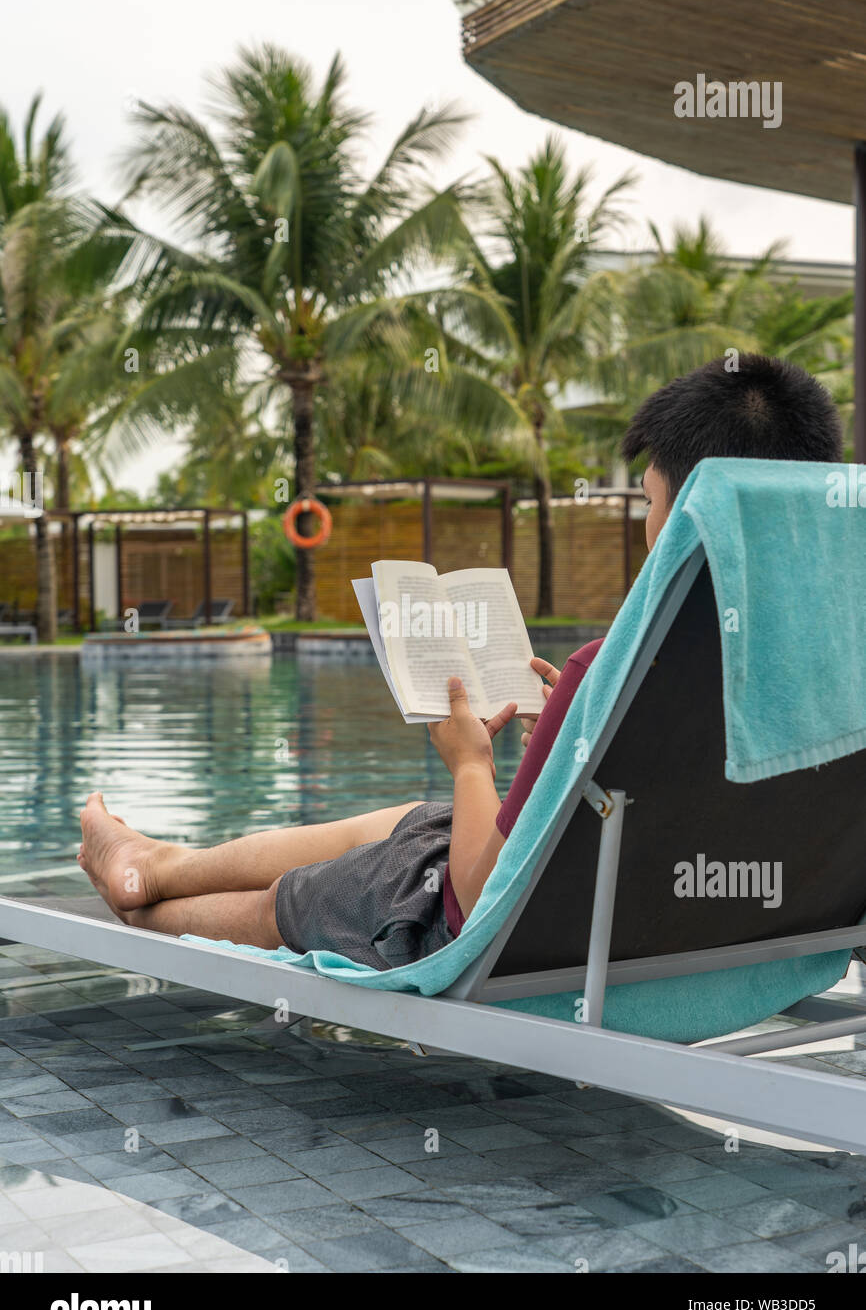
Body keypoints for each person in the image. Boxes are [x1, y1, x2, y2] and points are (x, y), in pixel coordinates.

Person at [78, 354, 843, 965]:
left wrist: (472, 762)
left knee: (311, 892)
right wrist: (578, 721)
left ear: (687, 513)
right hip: (717, 927)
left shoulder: (611, 669)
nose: (644, 523)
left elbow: (478, 901)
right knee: (415, 825)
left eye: (648, 501)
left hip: (535, 940)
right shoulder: (834, 673)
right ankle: (159, 862)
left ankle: (142, 895)